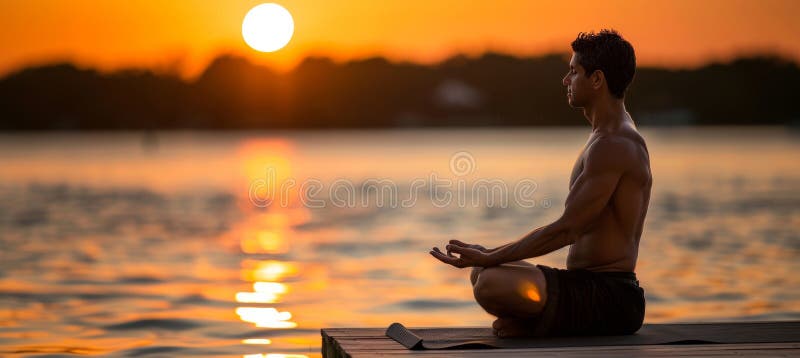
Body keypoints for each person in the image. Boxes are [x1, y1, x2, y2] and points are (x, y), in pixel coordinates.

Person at [430, 29, 652, 338]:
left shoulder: (614, 143)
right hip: (580, 285)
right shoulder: (605, 137)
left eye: (573, 72)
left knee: (491, 282)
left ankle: (534, 324)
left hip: (610, 298)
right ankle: (533, 322)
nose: (566, 80)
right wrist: (490, 255)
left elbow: (568, 229)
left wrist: (493, 255)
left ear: (597, 79)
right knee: (482, 273)